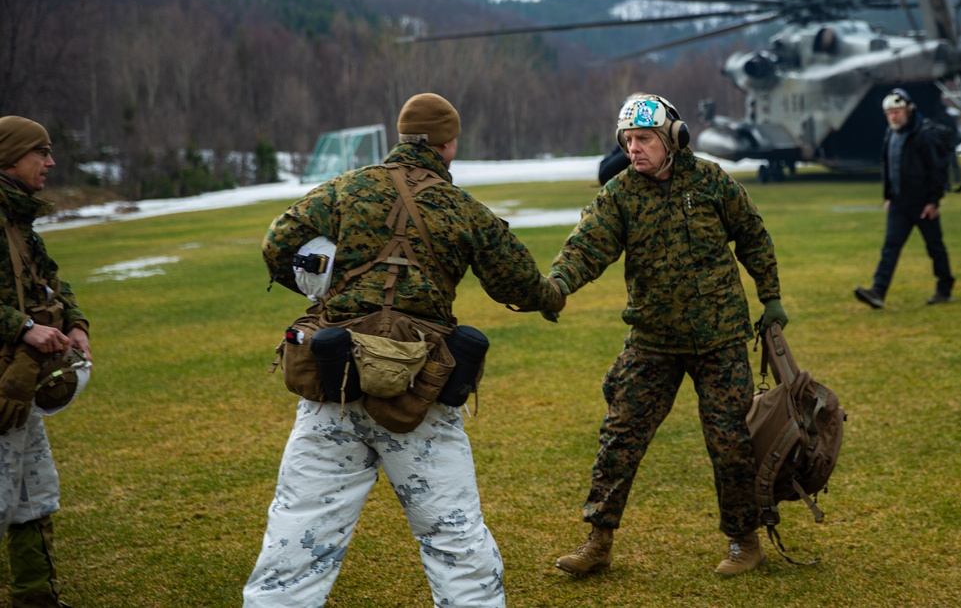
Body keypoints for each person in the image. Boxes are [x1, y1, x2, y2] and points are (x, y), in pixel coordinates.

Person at [244, 93, 565, 607]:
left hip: (335, 383)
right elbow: (521, 284)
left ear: (401, 136)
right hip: (421, 394)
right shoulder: (464, 210)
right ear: (449, 144)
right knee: (455, 541)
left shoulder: (344, 189)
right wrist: (554, 295)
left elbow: (277, 245)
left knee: (297, 541)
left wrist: (322, 296)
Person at [546, 94, 787, 577]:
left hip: (720, 338)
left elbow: (753, 234)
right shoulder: (619, 194)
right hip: (652, 341)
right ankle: (598, 540)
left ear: (672, 139)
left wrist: (771, 297)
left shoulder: (712, 181)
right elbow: (587, 245)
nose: (634, 149)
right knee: (620, 436)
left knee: (731, 441)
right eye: (628, 141)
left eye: (644, 139)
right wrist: (557, 285)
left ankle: (745, 541)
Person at [0, 116, 92, 608]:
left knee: (33, 494)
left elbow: (51, 281)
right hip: (4, 381)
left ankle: (36, 599)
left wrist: (75, 322)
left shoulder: (19, 220)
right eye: (41, 152)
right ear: (10, 157)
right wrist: (21, 327)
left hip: (19, 383)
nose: (51, 162)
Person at [854, 88, 955, 309]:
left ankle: (944, 288)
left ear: (908, 110)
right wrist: (889, 195)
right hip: (899, 203)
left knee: (934, 246)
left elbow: (937, 169)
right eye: (889, 113)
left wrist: (933, 202)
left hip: (922, 204)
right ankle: (878, 291)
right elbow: (889, 167)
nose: (893, 116)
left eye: (897, 112)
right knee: (890, 246)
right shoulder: (891, 134)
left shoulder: (923, 134)